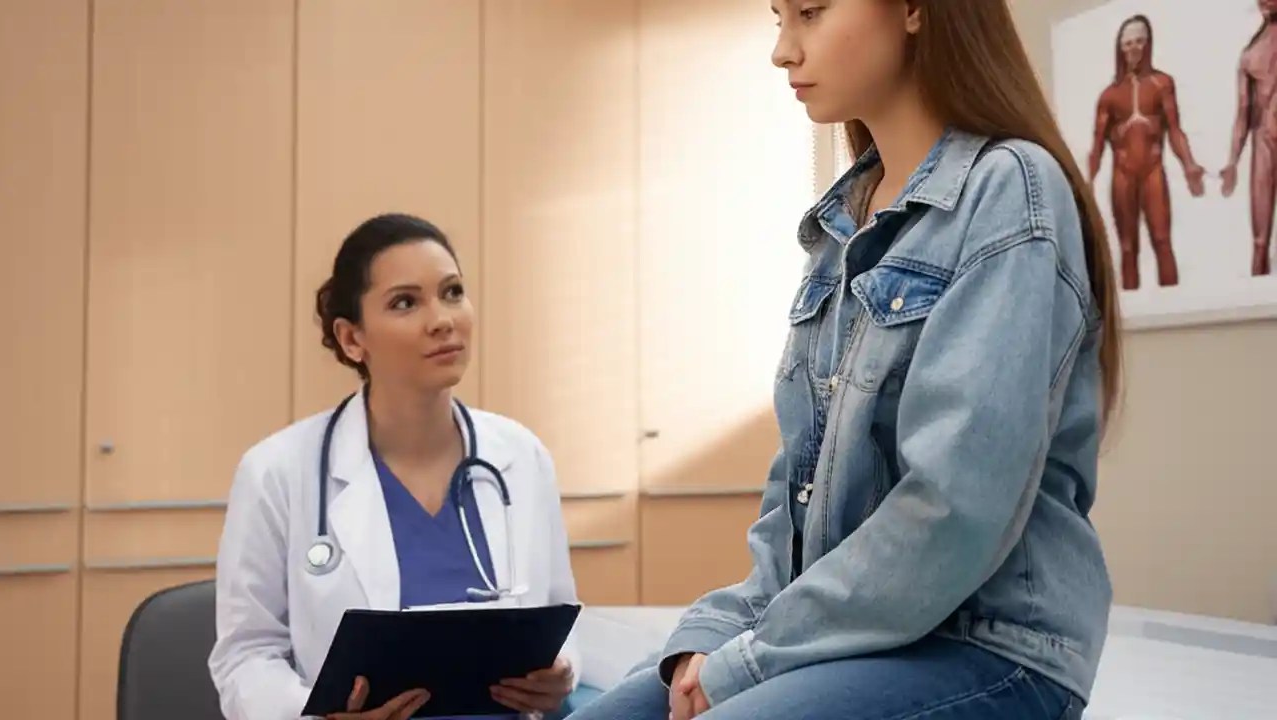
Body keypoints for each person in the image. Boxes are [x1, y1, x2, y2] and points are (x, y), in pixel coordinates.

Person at [570, 1, 1121, 719]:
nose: (783, 50)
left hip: (990, 646)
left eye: (811, 12)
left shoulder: (1009, 187)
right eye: (778, 18)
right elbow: (791, 500)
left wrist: (749, 663)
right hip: (847, 639)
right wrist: (715, 641)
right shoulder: (843, 218)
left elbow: (955, 510)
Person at [209, 213, 582, 720]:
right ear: (351, 338)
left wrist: (561, 672)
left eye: (452, 292)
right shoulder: (277, 472)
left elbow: (560, 618)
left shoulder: (522, 456)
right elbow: (246, 656)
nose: (442, 319)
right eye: (406, 302)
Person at [1087, 13, 1205, 290]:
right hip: (1123, 174)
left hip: (1152, 171)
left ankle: (1174, 306)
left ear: (1148, 43)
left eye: (1139, 42)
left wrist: (1189, 164)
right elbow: (1097, 145)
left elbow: (1175, 130)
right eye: (1128, 44)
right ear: (1120, 47)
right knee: (1128, 248)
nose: (1134, 49)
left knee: (1162, 240)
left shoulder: (1162, 84)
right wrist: (1087, 186)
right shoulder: (1110, 95)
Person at [1222, 0, 1277, 276]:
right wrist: (1232, 162)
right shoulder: (1250, 55)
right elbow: (1242, 114)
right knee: (1259, 241)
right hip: (1263, 144)